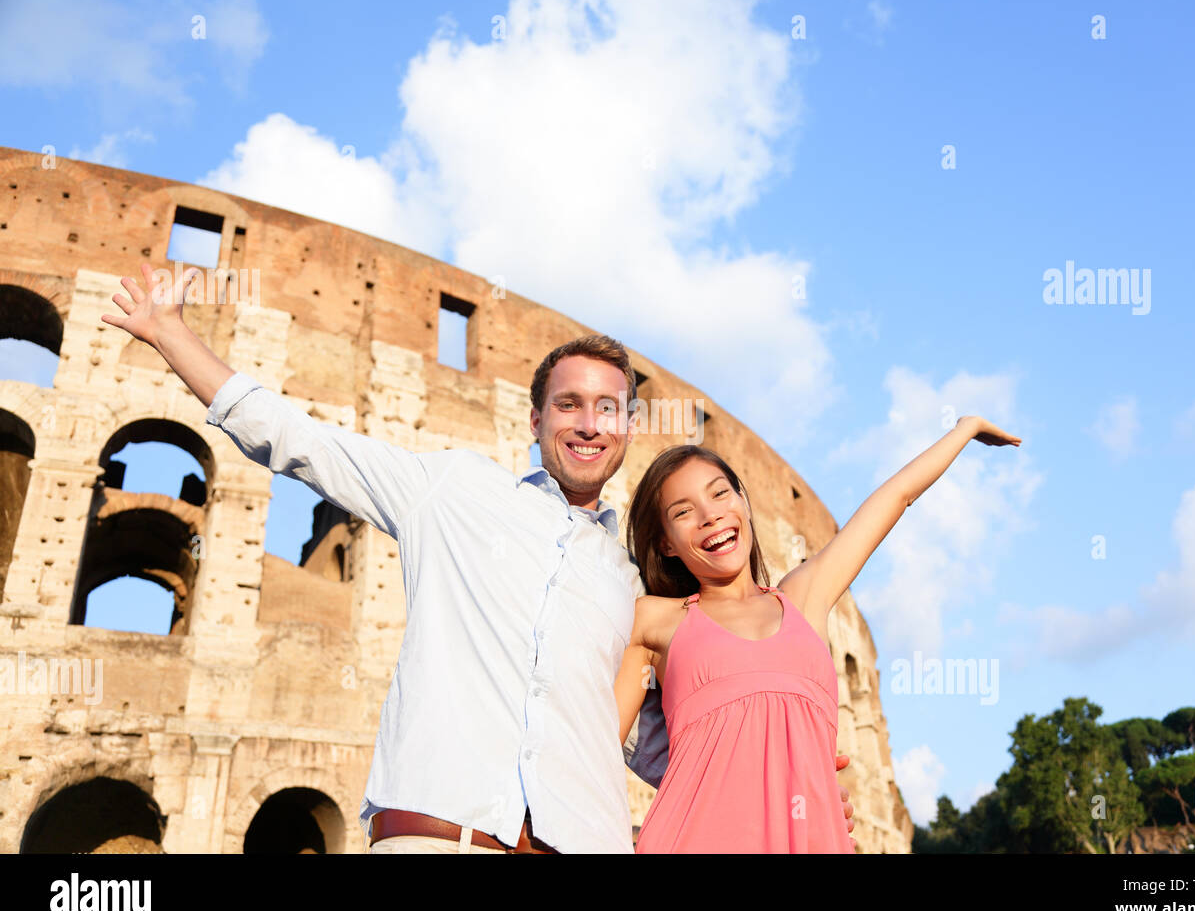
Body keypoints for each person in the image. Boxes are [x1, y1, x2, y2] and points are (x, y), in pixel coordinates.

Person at [103, 262, 853, 853]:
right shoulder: (453, 491)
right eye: (568, 405)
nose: (588, 425)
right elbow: (301, 443)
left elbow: (664, 743)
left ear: (628, 429)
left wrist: (797, 748)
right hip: (436, 833)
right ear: (534, 419)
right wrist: (171, 335)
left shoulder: (629, 588)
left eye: (608, 409)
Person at [617, 417, 1020, 852]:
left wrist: (965, 429)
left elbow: (897, 498)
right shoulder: (655, 620)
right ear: (665, 545)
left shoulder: (804, 599)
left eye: (720, 493)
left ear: (744, 502)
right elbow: (598, 749)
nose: (710, 515)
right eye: (683, 511)